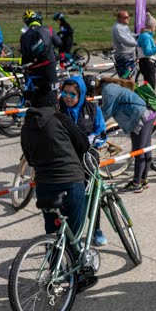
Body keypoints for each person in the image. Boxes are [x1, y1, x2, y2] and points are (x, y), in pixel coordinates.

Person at [20, 79, 99, 290]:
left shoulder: (27, 124)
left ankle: (55, 271)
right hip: (70, 181)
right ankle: (80, 277)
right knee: (73, 234)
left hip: (44, 185)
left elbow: (29, 156)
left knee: (53, 233)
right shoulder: (59, 118)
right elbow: (82, 144)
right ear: (52, 103)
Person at [59, 76, 109, 247]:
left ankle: (96, 229)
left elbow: (101, 132)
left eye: (72, 94)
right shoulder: (58, 110)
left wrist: (90, 140)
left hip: (88, 161)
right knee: (71, 201)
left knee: (92, 197)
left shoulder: (93, 109)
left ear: (81, 95)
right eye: (64, 93)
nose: (67, 97)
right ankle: (73, 235)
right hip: (67, 163)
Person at [95, 76, 156, 192]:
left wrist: (94, 125)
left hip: (141, 117)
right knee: (146, 148)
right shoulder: (111, 86)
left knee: (139, 151)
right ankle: (143, 179)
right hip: (148, 114)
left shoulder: (108, 91)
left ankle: (136, 183)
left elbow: (106, 112)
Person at [19, 10, 62, 86]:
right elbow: (59, 43)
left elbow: (24, 53)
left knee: (34, 92)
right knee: (53, 90)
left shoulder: (24, 36)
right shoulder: (48, 29)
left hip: (32, 67)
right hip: (48, 64)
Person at [136, 14, 156, 89]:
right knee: (151, 85)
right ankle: (150, 99)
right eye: (155, 26)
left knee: (149, 84)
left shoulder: (145, 35)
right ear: (151, 27)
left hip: (146, 62)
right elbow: (147, 52)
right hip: (147, 63)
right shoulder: (146, 37)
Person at [111, 10, 138, 77]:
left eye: (128, 17)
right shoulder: (117, 28)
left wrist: (138, 35)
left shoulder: (124, 26)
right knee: (126, 78)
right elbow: (124, 41)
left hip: (130, 54)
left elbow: (130, 34)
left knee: (132, 75)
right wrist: (138, 43)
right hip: (123, 56)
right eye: (126, 17)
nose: (128, 18)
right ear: (120, 18)